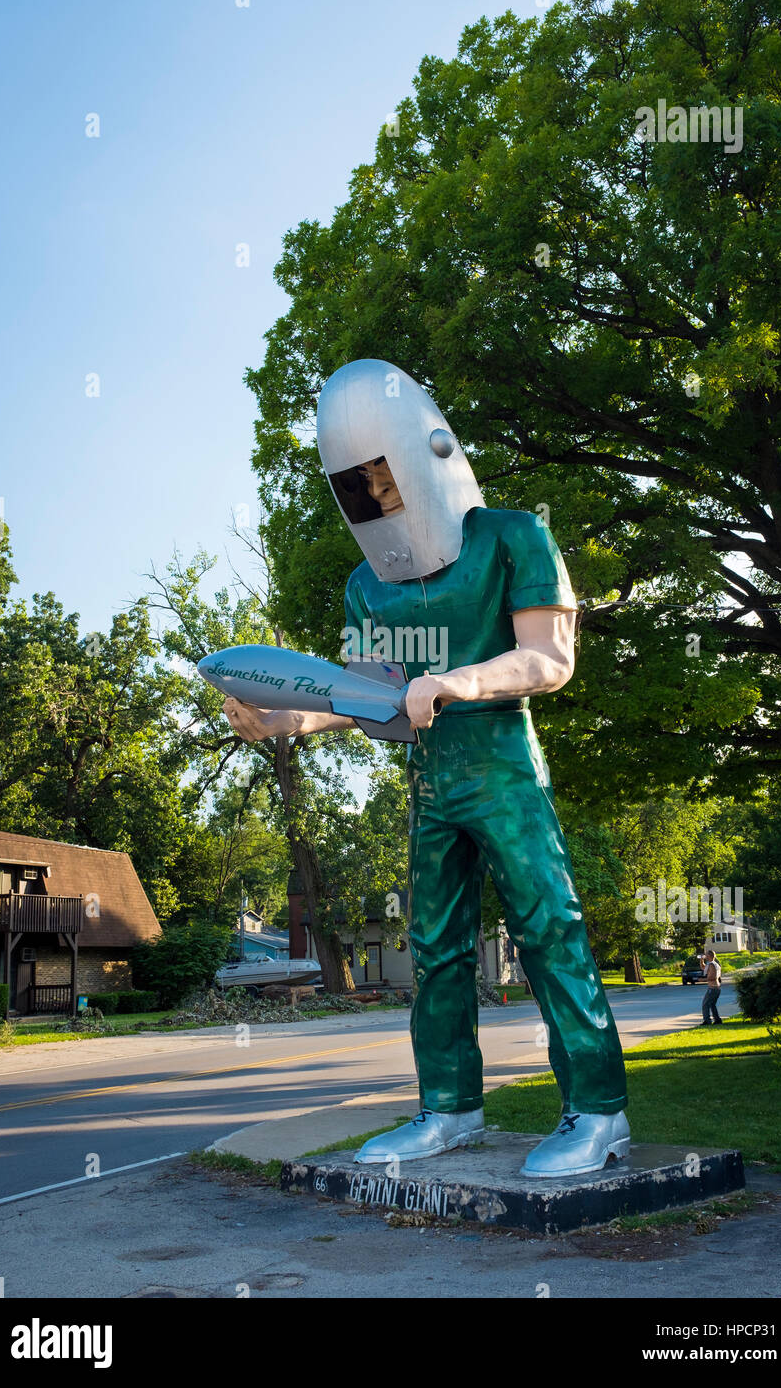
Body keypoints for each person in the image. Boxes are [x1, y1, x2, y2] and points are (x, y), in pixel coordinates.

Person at [224, 359, 629, 1178]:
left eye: (382, 475)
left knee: (550, 928)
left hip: (506, 768)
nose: (375, 497)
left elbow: (550, 659)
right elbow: (363, 699)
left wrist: (455, 682)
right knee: (435, 950)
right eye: (356, 486)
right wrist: (276, 720)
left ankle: (598, 1110)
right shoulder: (364, 587)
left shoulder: (515, 535)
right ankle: (448, 1109)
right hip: (431, 787)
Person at [700, 950, 723, 1025]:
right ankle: (717, 1020)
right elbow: (703, 967)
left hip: (713, 988)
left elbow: (713, 977)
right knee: (712, 1004)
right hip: (715, 988)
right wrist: (701, 960)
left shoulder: (712, 965)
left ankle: (707, 1021)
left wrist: (702, 980)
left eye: (706, 955)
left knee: (705, 1004)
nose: (705, 956)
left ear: (709, 956)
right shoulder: (712, 964)